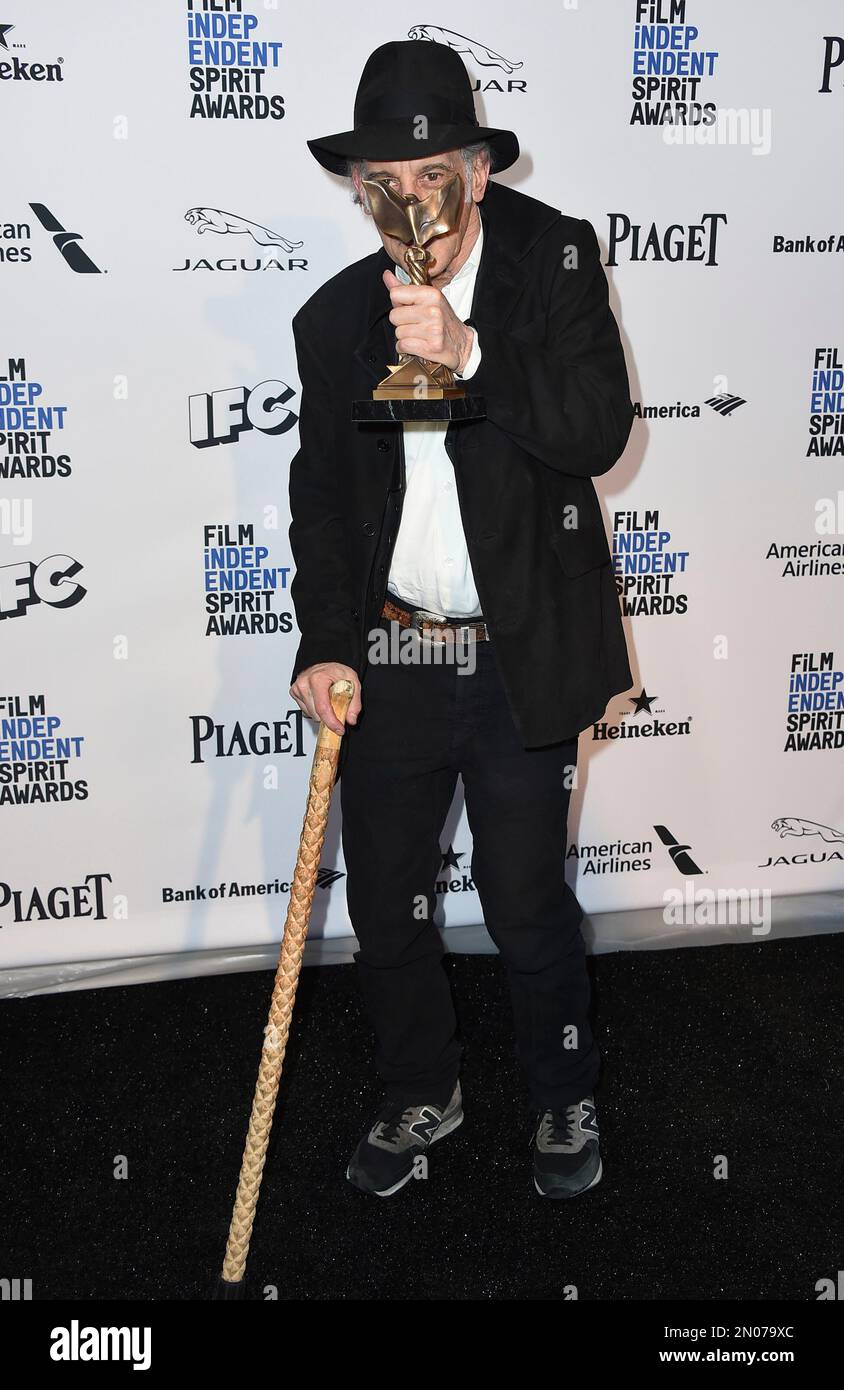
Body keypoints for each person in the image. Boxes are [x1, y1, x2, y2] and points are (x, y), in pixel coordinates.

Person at [288, 40, 635, 1198]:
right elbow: (325, 501)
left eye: (432, 169)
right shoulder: (335, 320)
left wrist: (472, 351)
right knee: (384, 901)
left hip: (519, 639)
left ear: (478, 171)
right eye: (382, 174)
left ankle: (559, 1093)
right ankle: (418, 1092)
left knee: (526, 893)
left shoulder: (557, 258)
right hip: (392, 645)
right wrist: (328, 641)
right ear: (357, 187)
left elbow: (593, 431)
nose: (407, 197)